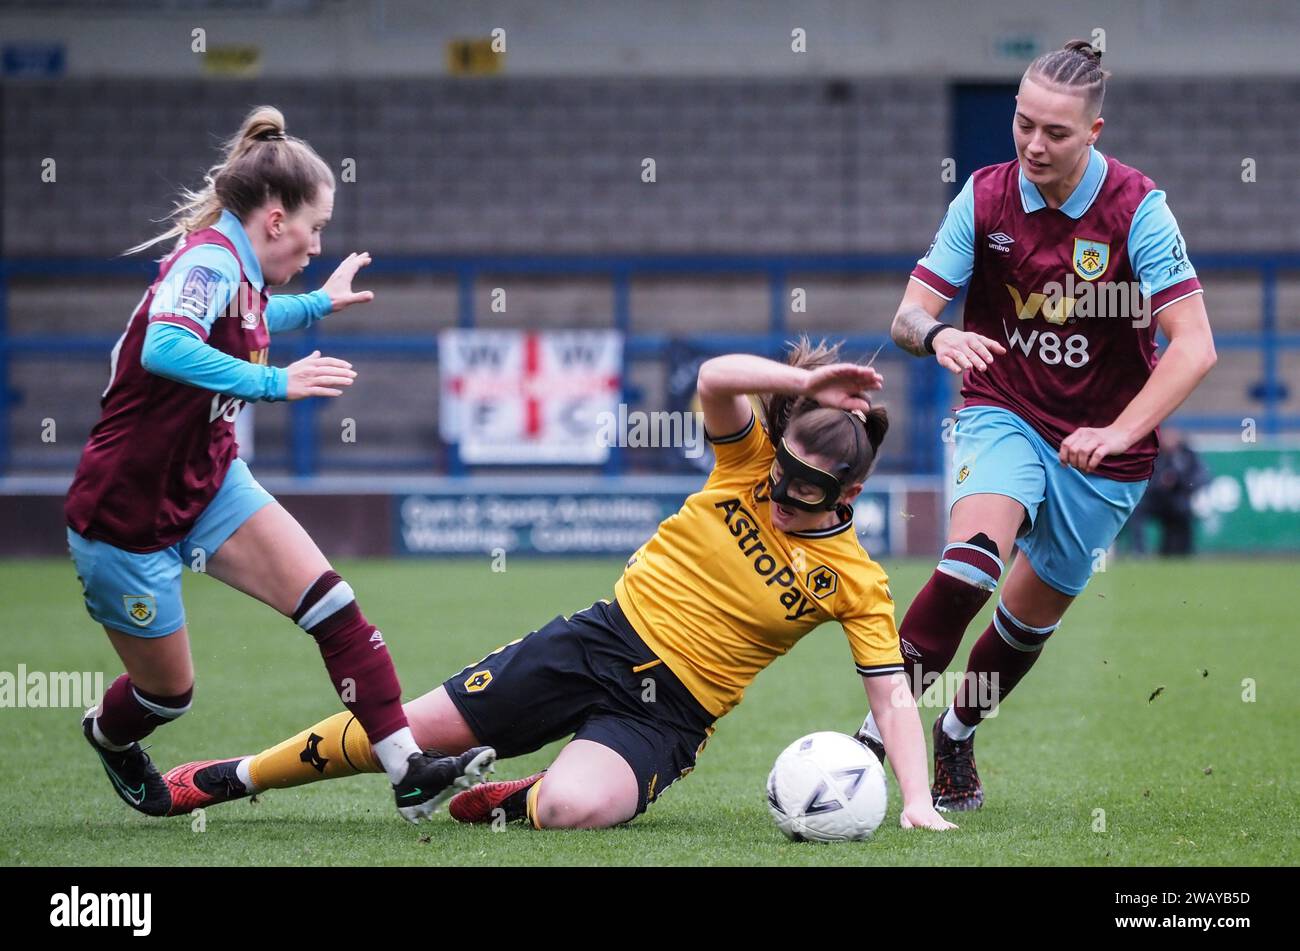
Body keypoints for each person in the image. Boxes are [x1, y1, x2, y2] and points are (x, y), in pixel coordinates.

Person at [161, 341, 956, 832]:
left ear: (847, 498)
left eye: (808, 494)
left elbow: (890, 698)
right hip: (596, 641)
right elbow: (716, 377)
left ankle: (513, 800)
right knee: (396, 734)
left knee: (577, 809)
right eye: (783, 476)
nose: (781, 499)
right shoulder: (747, 463)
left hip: (672, 714)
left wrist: (915, 800)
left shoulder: (857, 580)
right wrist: (800, 383)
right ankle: (235, 777)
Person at [66, 105, 491, 823]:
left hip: (209, 484)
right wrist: (275, 382)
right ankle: (109, 736)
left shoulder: (239, 268)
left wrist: (321, 303)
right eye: (315, 227)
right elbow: (162, 348)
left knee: (332, 604)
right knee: (168, 696)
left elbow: (257, 312)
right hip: (124, 514)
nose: (316, 242)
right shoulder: (207, 259)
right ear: (273, 219)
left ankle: (407, 769)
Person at [855, 40, 1216, 810]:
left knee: (1024, 625)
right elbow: (909, 314)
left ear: (1095, 132)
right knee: (970, 564)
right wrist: (938, 335)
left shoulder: (1138, 209)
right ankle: (869, 745)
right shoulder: (983, 198)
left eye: (1055, 132)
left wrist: (1121, 432)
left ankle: (955, 730)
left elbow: (1196, 346)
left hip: (1102, 453)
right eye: (1024, 125)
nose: (1033, 145)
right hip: (1003, 409)